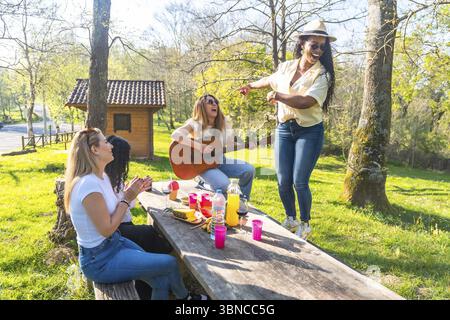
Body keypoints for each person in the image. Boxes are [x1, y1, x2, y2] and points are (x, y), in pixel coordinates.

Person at [64, 127, 207, 300]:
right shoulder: (88, 184)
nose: (110, 146)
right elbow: (106, 229)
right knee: (170, 263)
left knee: (161, 279)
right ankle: (186, 299)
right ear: (94, 149)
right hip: (99, 260)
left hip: (115, 243)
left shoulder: (101, 177)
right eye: (106, 142)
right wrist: (127, 198)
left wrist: (131, 192)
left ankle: (186, 298)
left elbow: (114, 210)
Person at [239, 20, 336, 239]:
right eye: (314, 45)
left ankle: (305, 223)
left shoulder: (323, 75)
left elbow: (306, 102)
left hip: (309, 131)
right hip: (284, 129)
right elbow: (270, 80)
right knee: (283, 181)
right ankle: (291, 218)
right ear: (302, 44)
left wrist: (278, 96)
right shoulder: (286, 67)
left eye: (323, 46)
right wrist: (251, 86)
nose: (319, 50)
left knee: (299, 181)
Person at [104, 135, 173, 300]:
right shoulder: (105, 181)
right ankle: (151, 288)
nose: (128, 160)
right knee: (154, 238)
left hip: (122, 226)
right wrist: (129, 194)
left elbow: (126, 204)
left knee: (151, 238)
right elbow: (117, 209)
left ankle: (153, 284)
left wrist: (137, 190)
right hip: (116, 230)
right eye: (126, 157)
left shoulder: (114, 177)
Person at [171, 94, 256, 200]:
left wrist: (246, 145)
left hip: (220, 161)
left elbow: (230, 144)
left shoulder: (223, 123)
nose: (215, 104)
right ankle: (206, 185)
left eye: (216, 102)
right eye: (210, 102)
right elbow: (175, 135)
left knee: (249, 170)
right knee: (225, 185)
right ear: (201, 106)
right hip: (202, 166)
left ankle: (242, 202)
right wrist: (200, 147)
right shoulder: (194, 123)